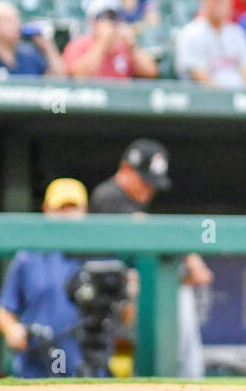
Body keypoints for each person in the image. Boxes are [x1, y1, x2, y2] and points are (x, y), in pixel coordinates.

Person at [89, 140, 211, 378]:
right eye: (144, 181)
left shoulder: (134, 202)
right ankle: (183, 378)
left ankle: (186, 379)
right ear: (126, 170)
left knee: (176, 295)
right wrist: (189, 255)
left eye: (152, 184)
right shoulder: (109, 195)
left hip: (125, 296)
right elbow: (147, 229)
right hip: (102, 295)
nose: (149, 190)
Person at [0, 178, 90, 378]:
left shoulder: (100, 255)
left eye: (73, 208)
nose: (67, 214)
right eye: (61, 208)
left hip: (86, 361)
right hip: (37, 362)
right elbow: (3, 309)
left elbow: (123, 316)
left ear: (85, 210)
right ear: (46, 209)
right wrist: (12, 329)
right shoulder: (28, 256)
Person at [174, 0, 246, 88]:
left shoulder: (238, 33)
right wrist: (228, 99)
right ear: (205, 1)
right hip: (203, 101)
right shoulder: (191, 33)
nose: (222, 3)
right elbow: (201, 77)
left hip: (238, 99)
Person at [63, 0, 157, 80]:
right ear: (93, 21)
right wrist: (102, 43)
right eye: (104, 17)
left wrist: (132, 44)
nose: (111, 23)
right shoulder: (78, 45)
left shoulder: (125, 46)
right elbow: (77, 77)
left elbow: (150, 73)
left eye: (114, 17)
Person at [0, 0, 62, 76]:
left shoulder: (29, 54)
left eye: (17, 18)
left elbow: (57, 79)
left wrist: (48, 46)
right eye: (8, 20)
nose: (17, 24)